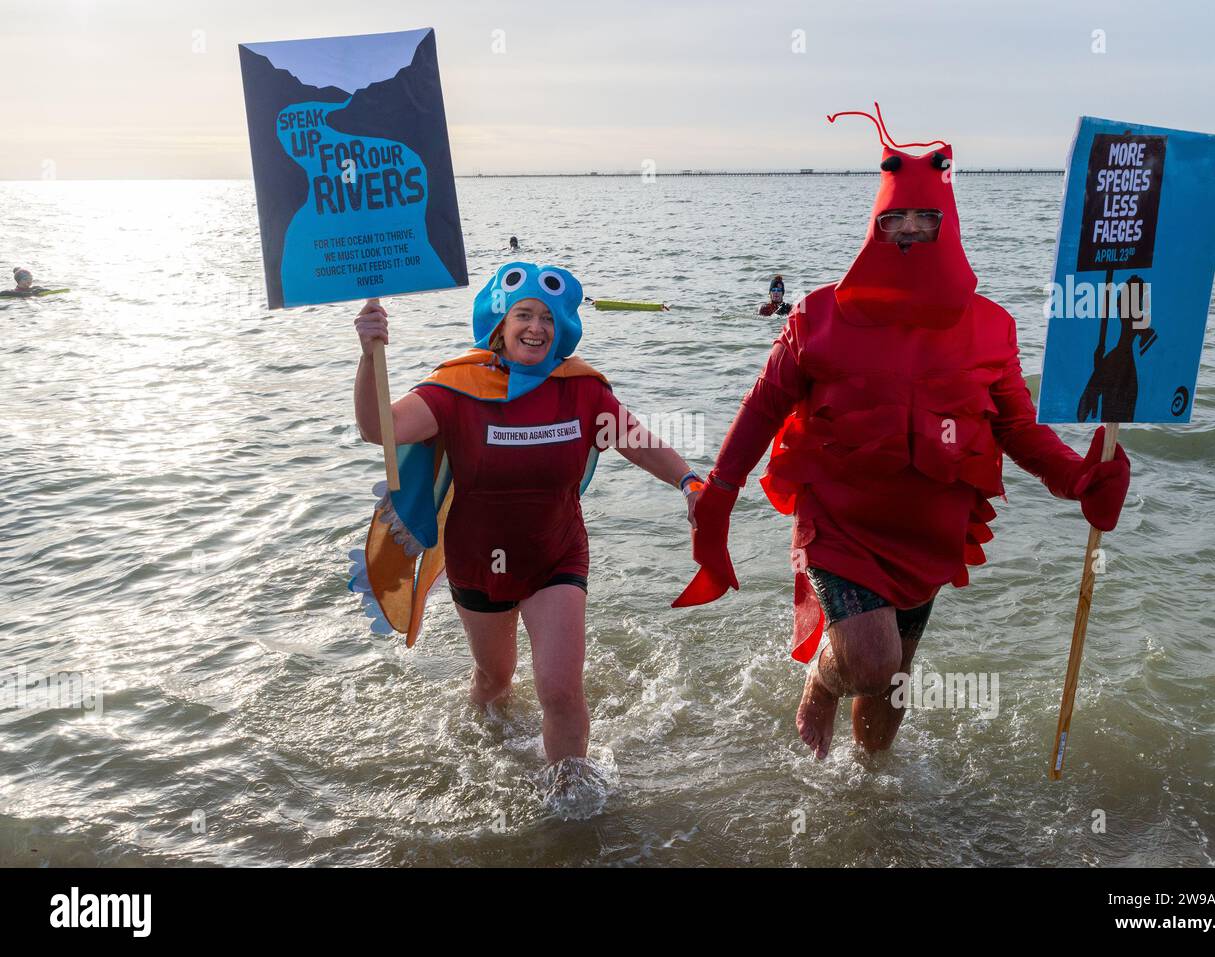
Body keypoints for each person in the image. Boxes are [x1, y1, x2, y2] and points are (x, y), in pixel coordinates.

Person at [674, 105, 1131, 760]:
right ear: (875, 225)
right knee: (869, 660)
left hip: (928, 530)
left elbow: (1019, 430)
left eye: (926, 219)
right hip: (840, 522)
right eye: (897, 220)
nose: (911, 232)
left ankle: (871, 801)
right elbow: (761, 408)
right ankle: (821, 681)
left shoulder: (991, 326)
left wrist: (1080, 478)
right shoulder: (818, 317)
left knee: (890, 688)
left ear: (949, 227)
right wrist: (719, 489)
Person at [352, 261, 703, 768]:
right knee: (494, 681)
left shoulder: (581, 389)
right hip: (479, 561)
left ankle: (570, 800)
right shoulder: (457, 387)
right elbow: (376, 429)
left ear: (562, 330)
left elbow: (637, 443)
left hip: (555, 556)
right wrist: (369, 357)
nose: (536, 327)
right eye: (524, 314)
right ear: (500, 324)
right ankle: (484, 760)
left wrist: (688, 481)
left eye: (548, 317)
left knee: (560, 691)